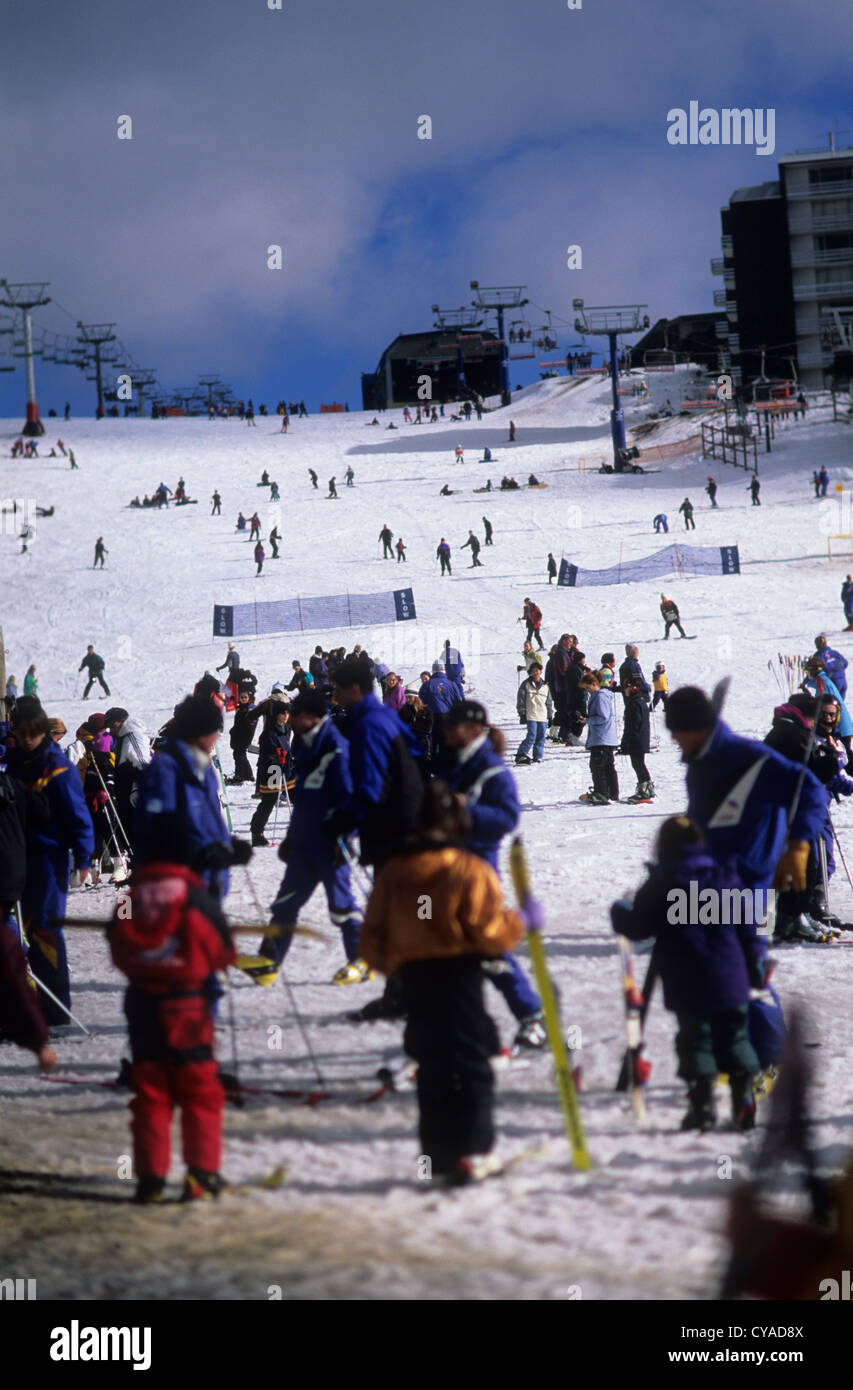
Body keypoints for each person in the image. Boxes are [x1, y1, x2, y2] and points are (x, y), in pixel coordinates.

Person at [359, 781, 527, 1184]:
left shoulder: (396, 871)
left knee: (431, 1063)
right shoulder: (467, 868)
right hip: (460, 974)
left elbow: (373, 935)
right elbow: (489, 930)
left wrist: (393, 966)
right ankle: (475, 1149)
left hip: (416, 978)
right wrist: (519, 922)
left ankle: (437, 1155)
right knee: (471, 1063)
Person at [664, 686, 827, 1068]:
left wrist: (799, 845)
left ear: (698, 728)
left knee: (738, 970)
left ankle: (769, 1055)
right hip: (709, 880)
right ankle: (737, 1049)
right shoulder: (699, 763)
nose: (672, 738)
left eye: (677, 730)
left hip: (747, 881)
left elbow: (813, 791)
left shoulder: (750, 758)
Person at [611, 816, 763, 1131]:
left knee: (697, 1041)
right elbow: (748, 930)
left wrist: (620, 910)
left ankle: (702, 1104)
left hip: (687, 979)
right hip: (730, 977)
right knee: (734, 1034)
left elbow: (638, 927)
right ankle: (743, 1096)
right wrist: (754, 965)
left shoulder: (663, 881)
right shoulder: (725, 874)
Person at [108, 860, 236, 1201]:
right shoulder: (197, 898)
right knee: (200, 1091)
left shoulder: (127, 901)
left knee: (151, 1092)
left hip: (143, 1006)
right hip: (187, 1008)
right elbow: (223, 953)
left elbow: (118, 950)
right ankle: (202, 1174)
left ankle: (151, 1181)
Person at [443, 700, 545, 1049]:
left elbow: (506, 817)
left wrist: (465, 812)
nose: (446, 732)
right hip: (450, 875)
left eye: (453, 726)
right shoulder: (457, 765)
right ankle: (459, 1025)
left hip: (479, 876)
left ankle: (533, 1018)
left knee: (489, 950)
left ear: (472, 730)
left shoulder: (491, 770)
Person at [251, 689, 367, 985]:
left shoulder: (336, 749)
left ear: (310, 717)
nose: (289, 722)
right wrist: (292, 835)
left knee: (341, 906)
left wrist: (343, 830)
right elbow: (304, 797)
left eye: (295, 716)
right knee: (285, 903)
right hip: (305, 841)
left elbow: (351, 800)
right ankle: (268, 962)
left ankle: (361, 960)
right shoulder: (304, 744)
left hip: (331, 844)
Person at [5, 699, 95, 1024]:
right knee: (22, 930)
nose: (28, 738)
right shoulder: (13, 764)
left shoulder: (58, 767)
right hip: (17, 856)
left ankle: (56, 1011)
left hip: (49, 858)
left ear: (44, 732)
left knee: (45, 929)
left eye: (34, 732)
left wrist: (84, 856)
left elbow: (78, 815)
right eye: (22, 732)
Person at [133, 696, 251, 902]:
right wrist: (202, 855)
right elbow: (154, 833)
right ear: (197, 732)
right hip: (176, 886)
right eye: (214, 732)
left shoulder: (202, 768)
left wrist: (226, 845)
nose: (216, 738)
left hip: (207, 883)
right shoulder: (165, 770)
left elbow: (204, 822)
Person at [249, 697, 291, 846]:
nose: (285, 716)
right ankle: (257, 831)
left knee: (297, 796)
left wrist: (288, 759)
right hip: (271, 770)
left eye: (287, 713)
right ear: (275, 715)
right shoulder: (269, 732)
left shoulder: (286, 729)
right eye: (282, 713)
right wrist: (276, 757)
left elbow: (287, 747)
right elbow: (266, 753)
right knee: (269, 801)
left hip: (285, 768)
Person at [104, 706, 150, 834]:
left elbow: (142, 762)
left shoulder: (132, 737)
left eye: (112, 726)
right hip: (127, 795)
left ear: (120, 723)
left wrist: (138, 788)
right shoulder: (124, 738)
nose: (111, 730)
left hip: (134, 795)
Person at [579, 671, 619, 803]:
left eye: (588, 688)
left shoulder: (600, 696)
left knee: (598, 767)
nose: (587, 691)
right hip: (605, 738)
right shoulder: (601, 695)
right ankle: (612, 792)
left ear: (594, 684)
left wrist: (588, 720)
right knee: (608, 766)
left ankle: (601, 792)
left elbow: (603, 717)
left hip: (601, 738)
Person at [620, 678, 653, 802]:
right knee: (639, 763)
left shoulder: (634, 703)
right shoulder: (640, 700)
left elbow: (633, 724)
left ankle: (644, 790)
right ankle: (647, 788)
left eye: (626, 688)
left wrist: (626, 742)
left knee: (637, 764)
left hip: (636, 738)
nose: (625, 691)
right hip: (641, 737)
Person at [515, 661, 553, 765]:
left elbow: (548, 702)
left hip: (542, 715)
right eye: (533, 671)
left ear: (540, 671)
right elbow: (521, 699)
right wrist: (522, 713)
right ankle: (521, 754)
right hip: (531, 714)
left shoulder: (545, 686)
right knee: (531, 736)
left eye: (537, 671)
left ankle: (538, 756)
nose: (535, 673)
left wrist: (550, 716)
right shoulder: (526, 684)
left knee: (541, 737)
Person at [815, 634, 848, 699]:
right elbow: (846, 663)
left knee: (831, 706)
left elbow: (815, 671)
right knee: (840, 706)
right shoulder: (834, 652)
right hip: (843, 682)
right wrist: (838, 670)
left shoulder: (819, 656)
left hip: (833, 683)